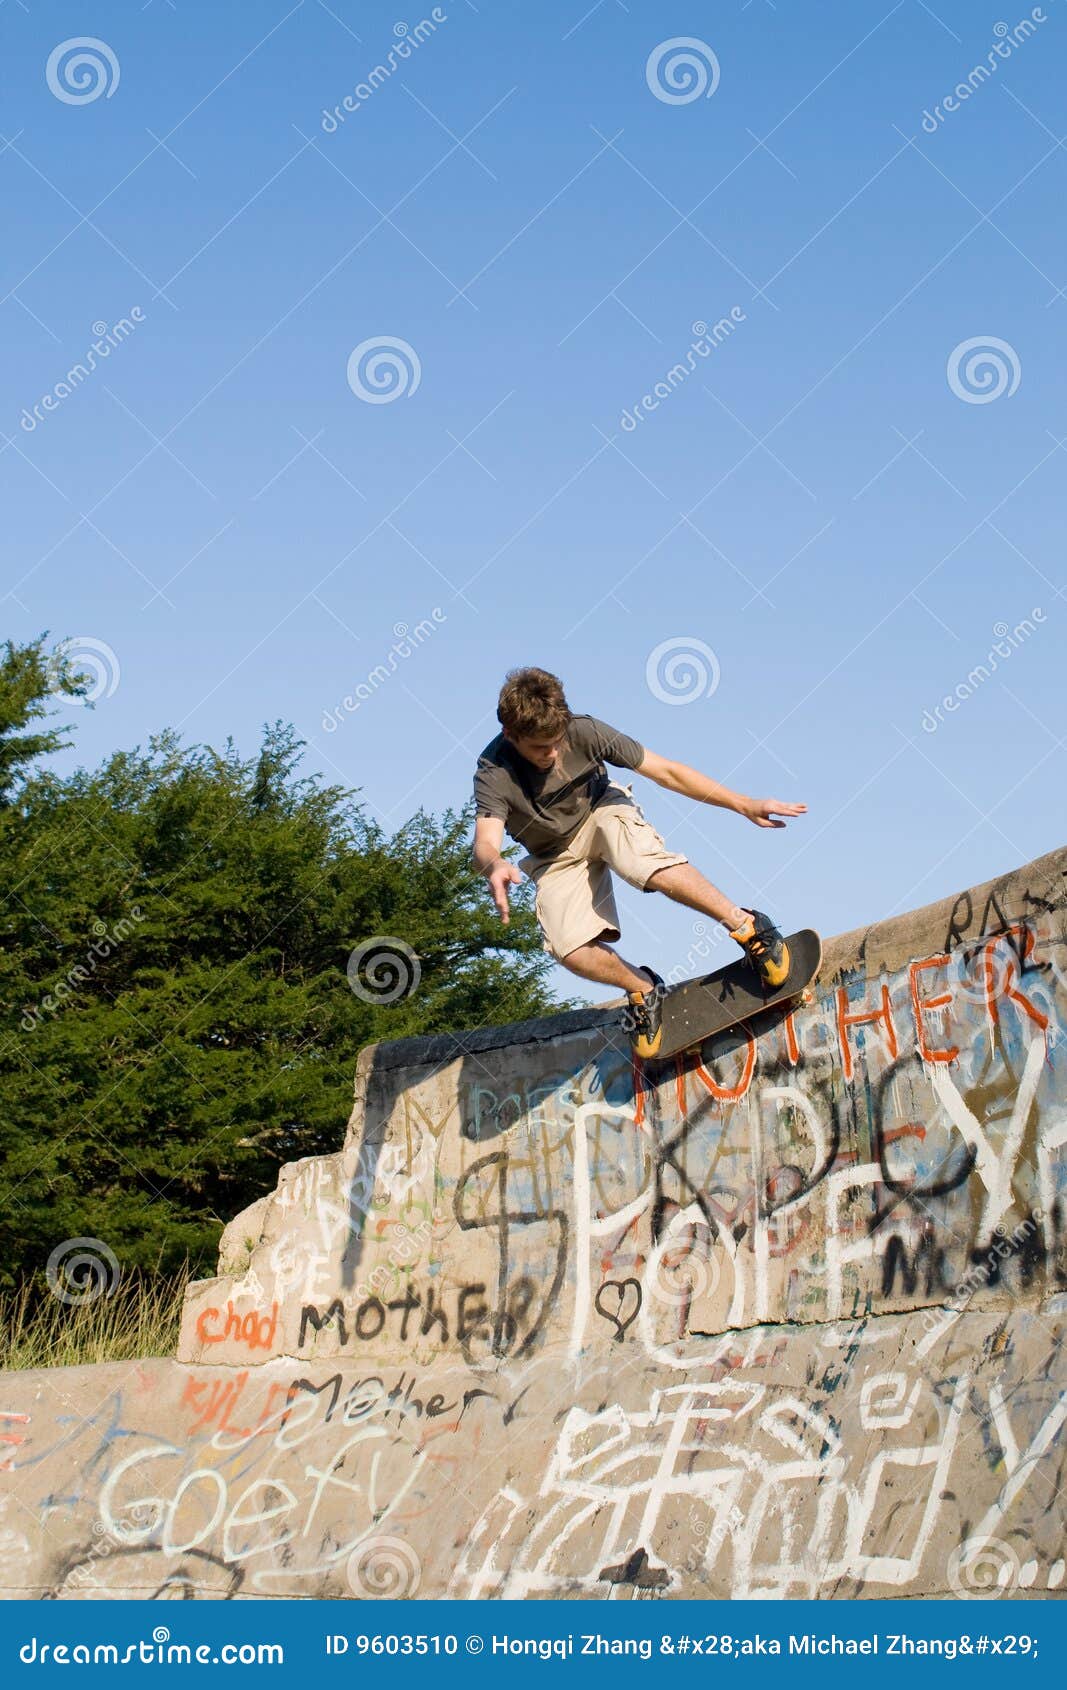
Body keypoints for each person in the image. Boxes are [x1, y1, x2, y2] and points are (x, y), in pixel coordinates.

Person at [471, 667, 806, 1058]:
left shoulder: (586, 731)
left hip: (601, 810)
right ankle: (644, 988)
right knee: (569, 949)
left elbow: (666, 772)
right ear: (511, 736)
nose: (553, 754)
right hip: (553, 853)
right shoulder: (493, 772)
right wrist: (494, 865)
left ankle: (747, 927)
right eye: (540, 749)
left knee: (640, 862)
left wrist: (742, 802)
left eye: (557, 743)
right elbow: (484, 841)